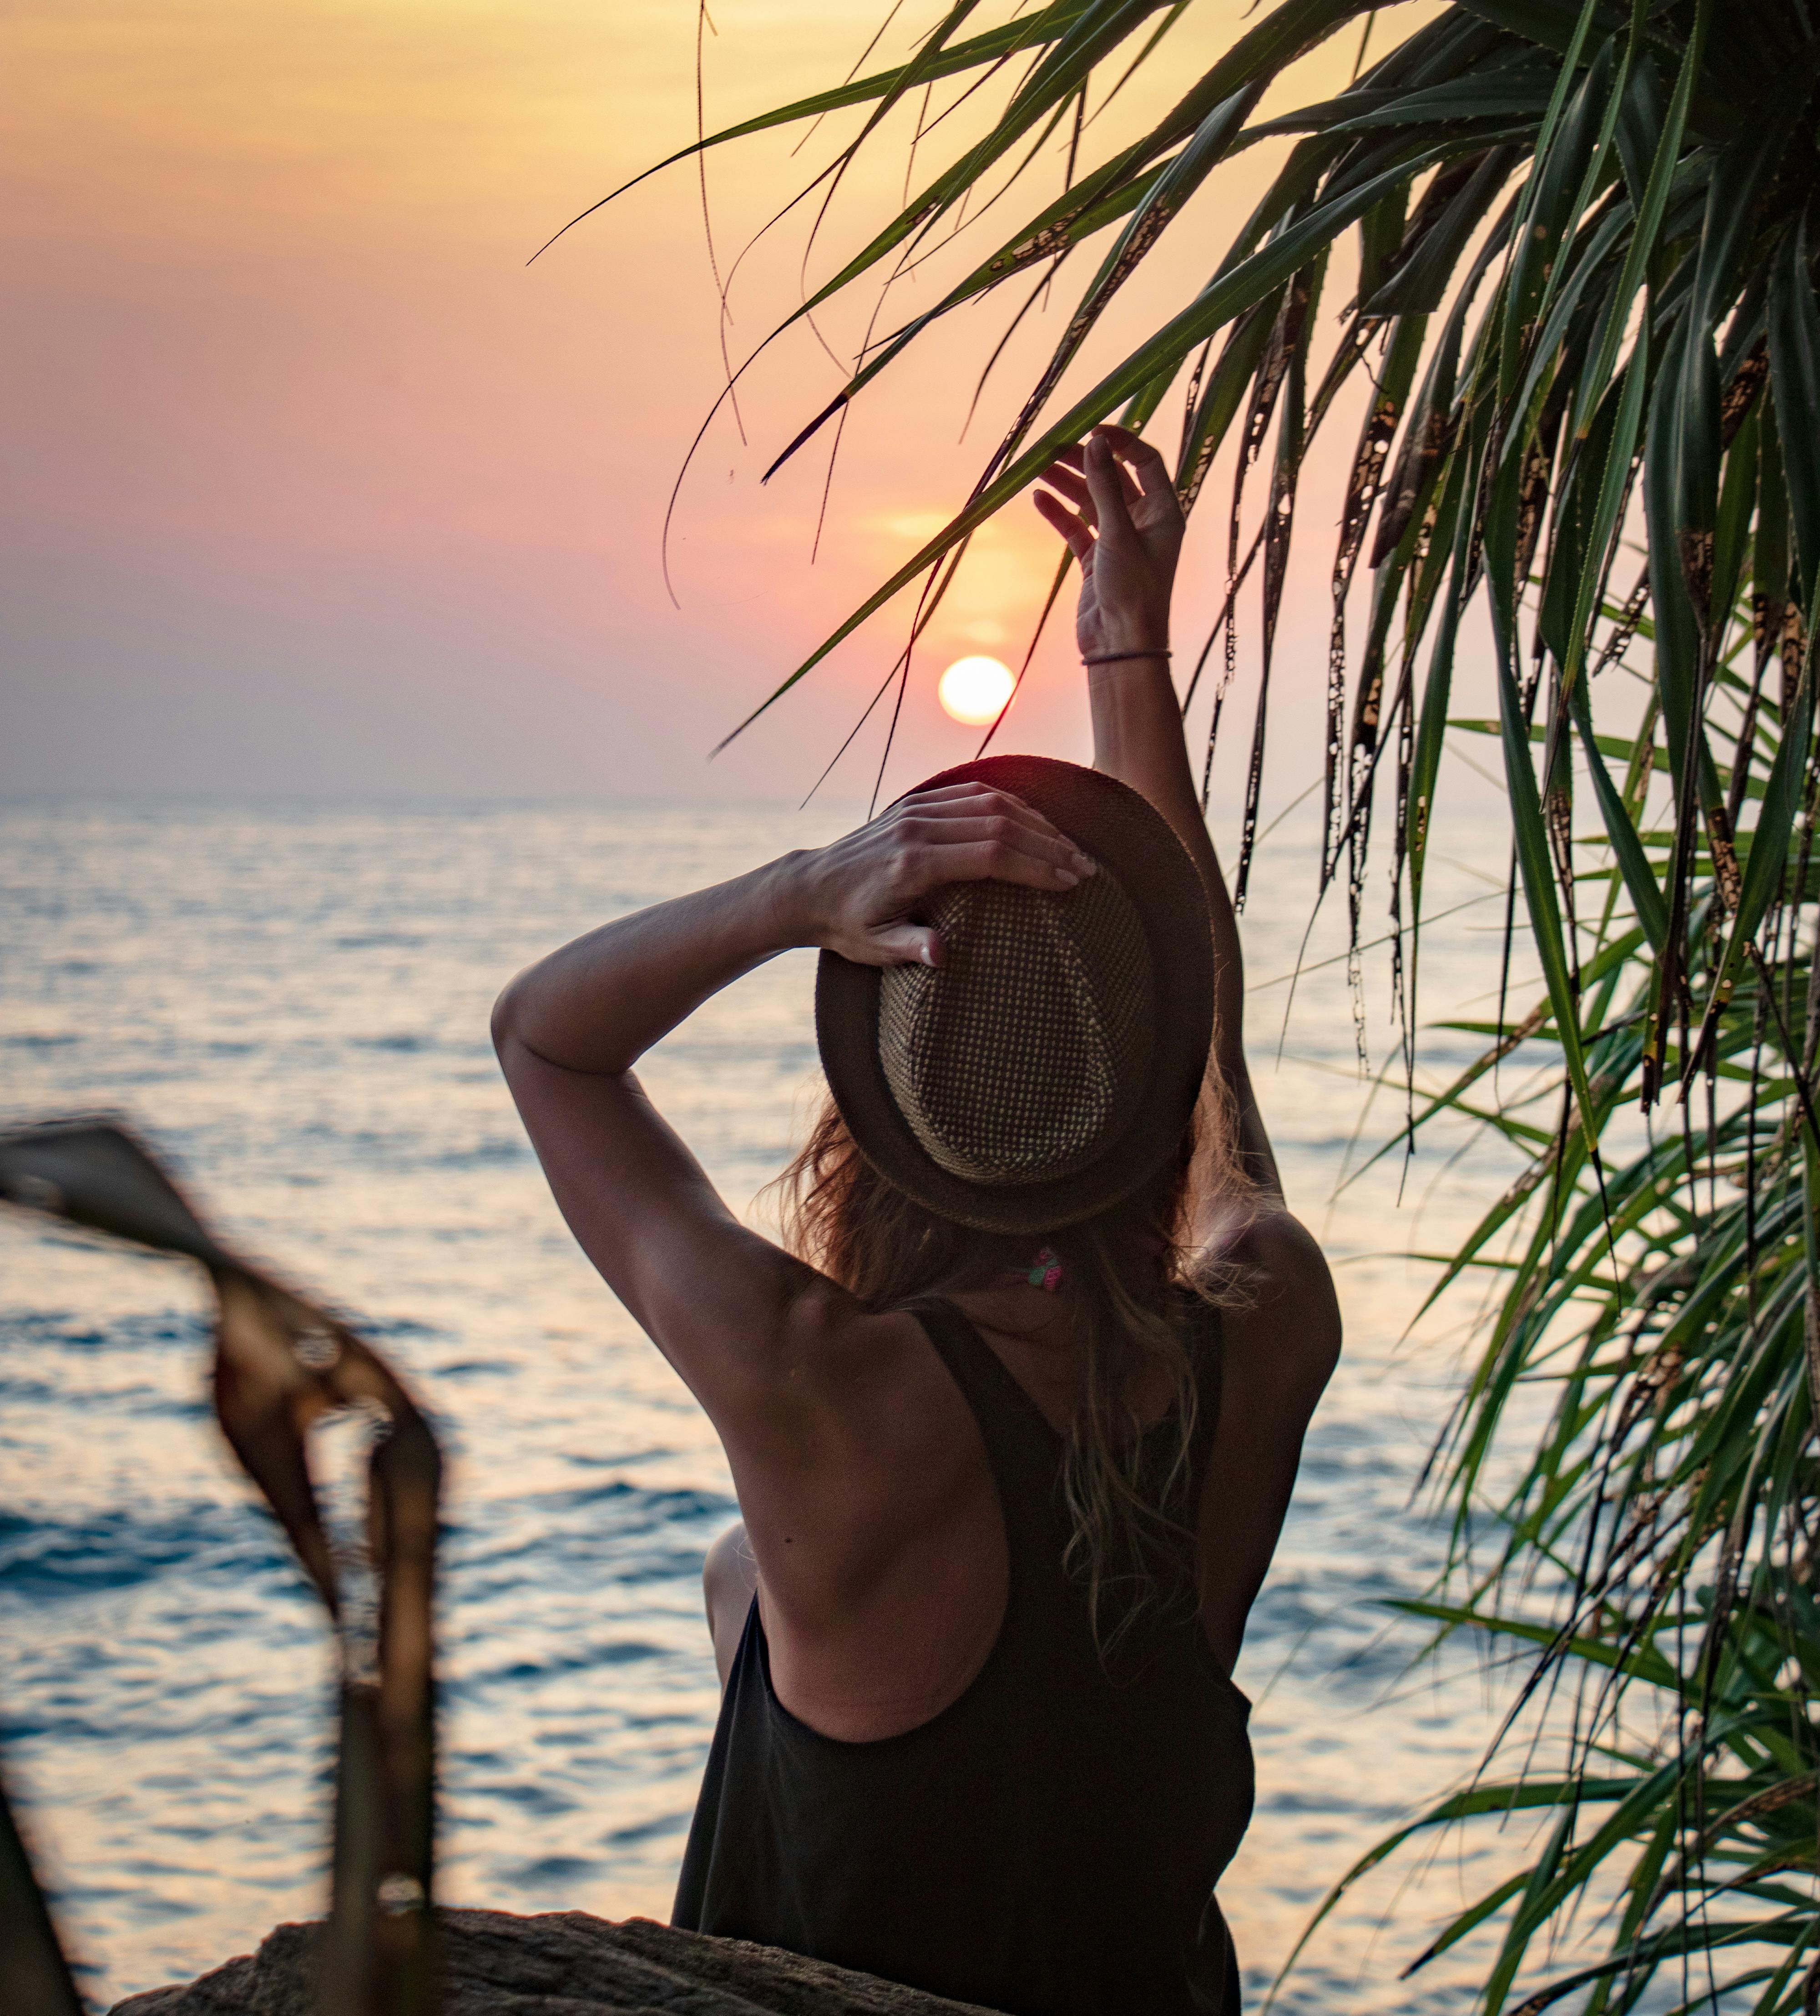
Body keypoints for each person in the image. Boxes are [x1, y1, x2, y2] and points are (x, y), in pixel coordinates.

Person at [493, 424, 1340, 2015]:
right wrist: (1128, 651)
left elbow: (544, 1037)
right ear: (1150, 1072)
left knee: (750, 1577)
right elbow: (1208, 1045)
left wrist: (799, 891)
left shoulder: (821, 1384)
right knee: (748, 1572)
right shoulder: (1267, 1314)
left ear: (886, 1119)